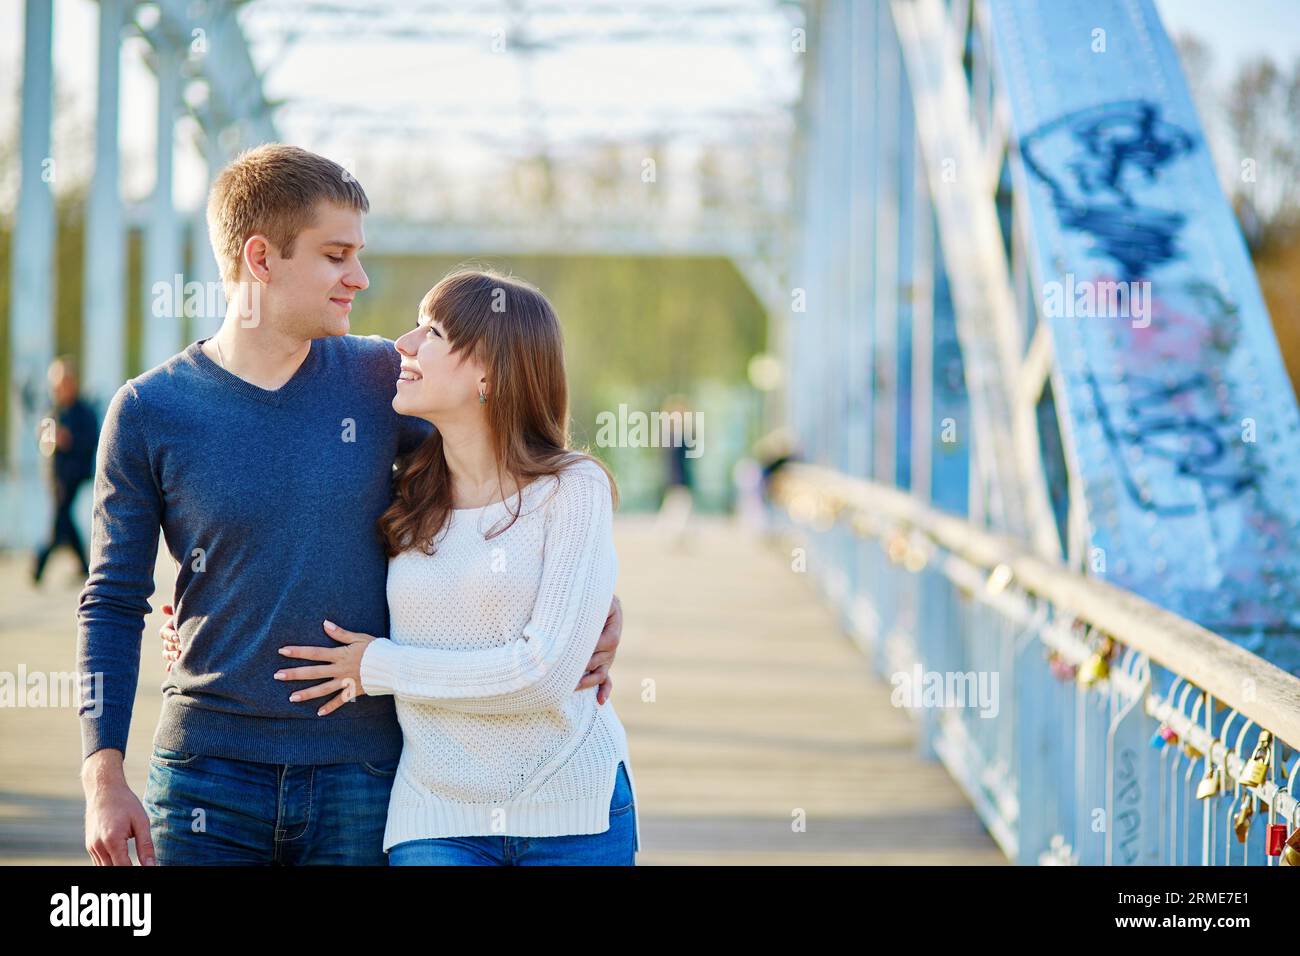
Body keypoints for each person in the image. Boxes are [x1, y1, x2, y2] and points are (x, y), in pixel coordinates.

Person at [77, 144, 624, 866]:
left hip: (363, 775)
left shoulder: (378, 380)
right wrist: (101, 775)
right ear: (262, 259)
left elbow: (514, 472)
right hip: (205, 773)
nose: (358, 278)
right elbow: (113, 601)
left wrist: (600, 606)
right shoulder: (149, 410)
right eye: (337, 256)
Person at [270, 268, 638, 865]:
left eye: (431, 332)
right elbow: (291, 554)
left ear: (489, 370)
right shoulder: (399, 494)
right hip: (435, 815)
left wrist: (379, 666)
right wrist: (195, 616)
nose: (404, 345)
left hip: (573, 808)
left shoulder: (573, 489)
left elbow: (544, 676)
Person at [33, 356, 99, 584]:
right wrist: (50, 438)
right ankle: (83, 565)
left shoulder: (84, 411)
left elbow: (92, 440)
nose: (60, 389)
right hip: (55, 475)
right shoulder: (52, 411)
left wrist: (70, 440)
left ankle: (38, 565)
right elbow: (45, 441)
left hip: (74, 474)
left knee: (60, 518)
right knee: (64, 519)